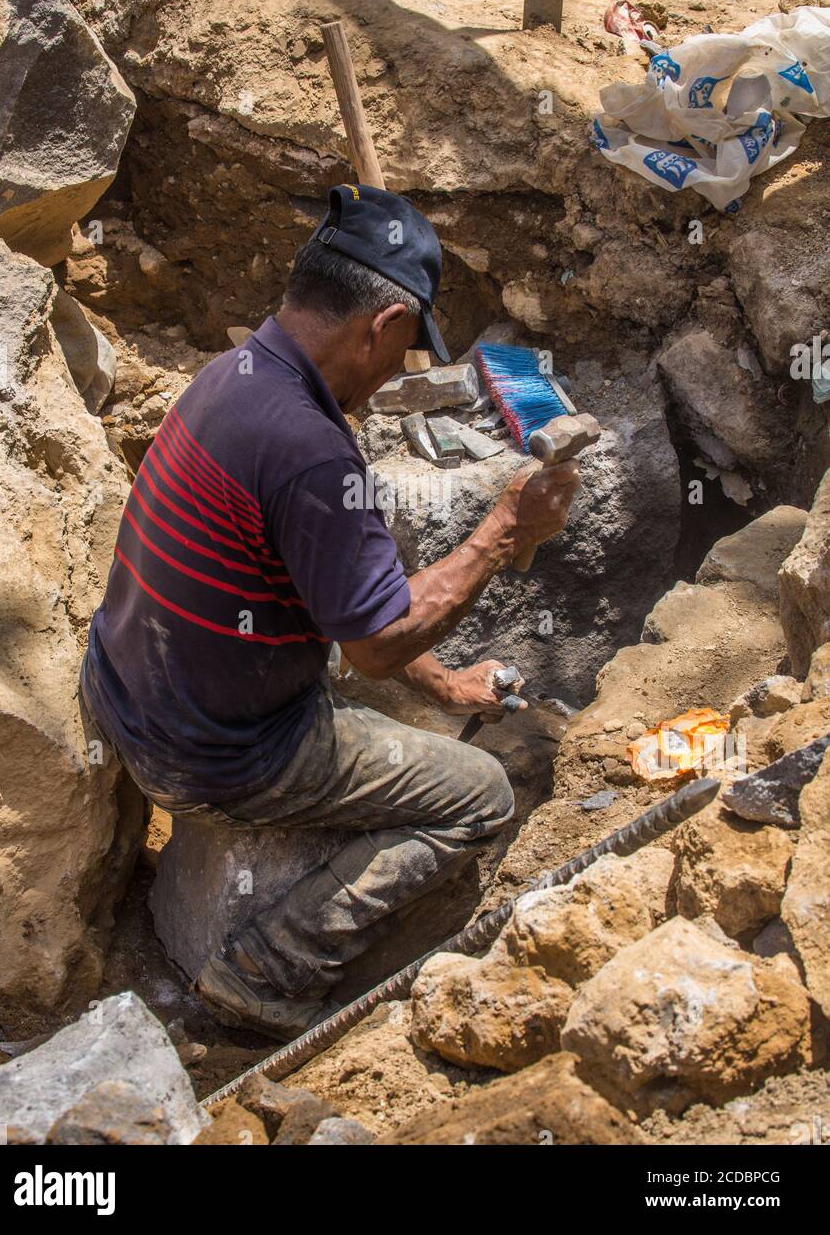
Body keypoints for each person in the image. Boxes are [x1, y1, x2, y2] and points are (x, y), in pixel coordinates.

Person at [80, 184, 580, 1039]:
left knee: (392, 668)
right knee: (483, 796)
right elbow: (380, 642)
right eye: (404, 351)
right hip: (216, 755)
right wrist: (502, 530)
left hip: (127, 692)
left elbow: (347, 610)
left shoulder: (233, 374)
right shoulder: (311, 448)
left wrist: (447, 688)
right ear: (380, 326)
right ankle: (266, 970)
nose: (397, 375)